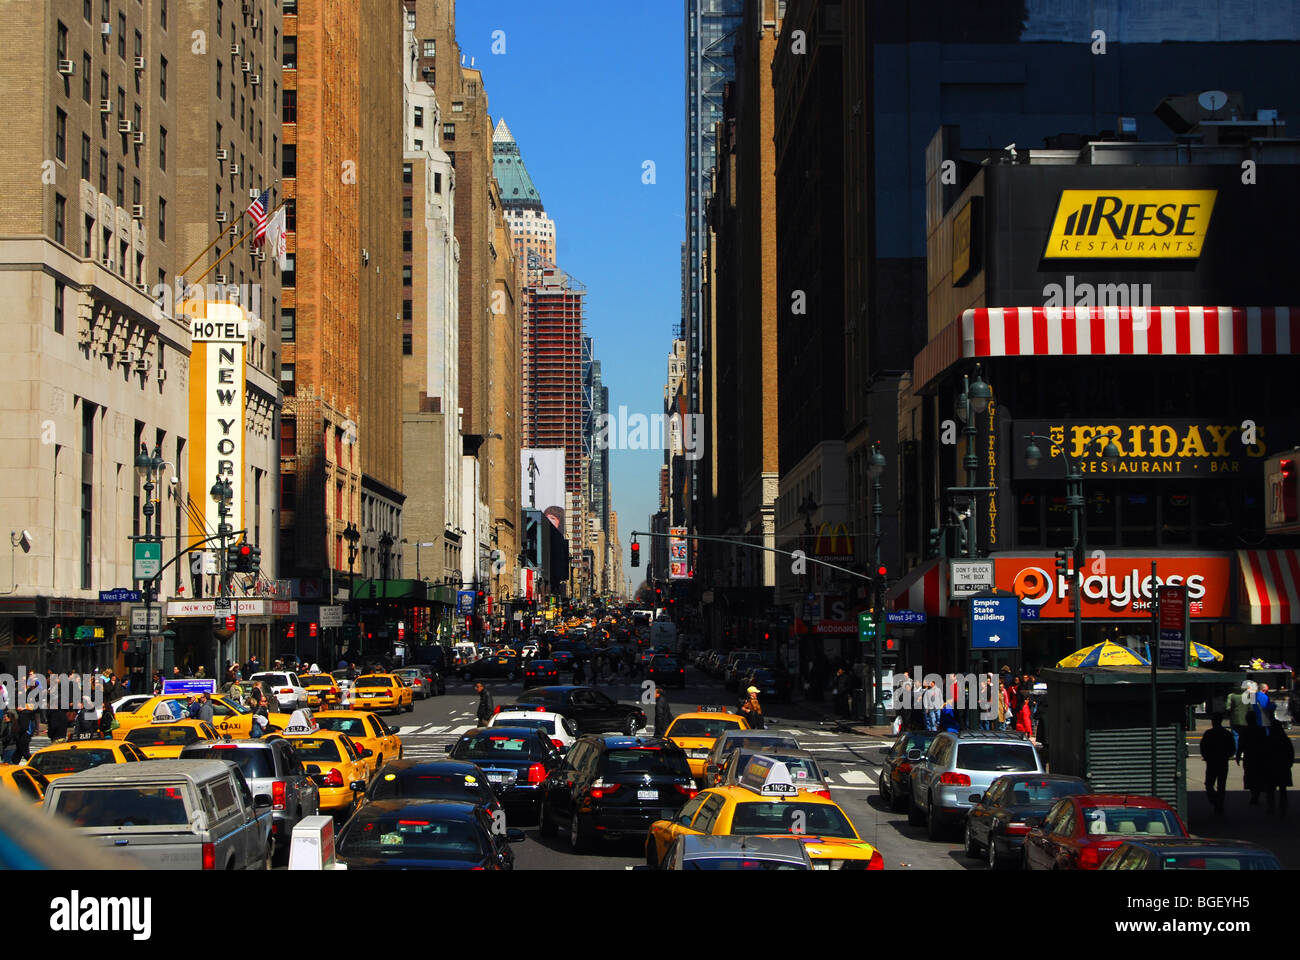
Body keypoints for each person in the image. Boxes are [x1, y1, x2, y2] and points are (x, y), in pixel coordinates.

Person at [1199, 713, 1234, 816]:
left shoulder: (1209, 733)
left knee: (1209, 784)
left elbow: (1203, 747)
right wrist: (1227, 755)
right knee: (1221, 785)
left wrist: (1206, 757)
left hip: (1212, 762)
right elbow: (1232, 748)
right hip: (1222, 762)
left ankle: (1216, 801)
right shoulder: (1226, 733)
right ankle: (1219, 803)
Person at [1239, 712, 1271, 808]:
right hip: (1259, 756)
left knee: (1250, 774)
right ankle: (1256, 793)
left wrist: (1238, 754)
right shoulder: (1261, 730)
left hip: (1250, 755)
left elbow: (1241, 744)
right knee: (1258, 774)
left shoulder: (1245, 730)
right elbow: (1265, 743)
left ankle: (1254, 794)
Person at [1226, 683, 1249, 754]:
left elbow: (1228, 707)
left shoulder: (1231, 696)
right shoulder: (1247, 696)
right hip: (1245, 719)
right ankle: (1244, 751)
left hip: (1234, 718)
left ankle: (1236, 752)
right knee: (1245, 736)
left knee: (1235, 735)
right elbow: (1250, 707)